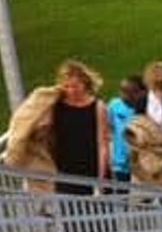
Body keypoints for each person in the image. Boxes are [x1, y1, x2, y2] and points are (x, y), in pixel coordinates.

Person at [49, 60, 110, 189]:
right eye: (67, 87)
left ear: (84, 84)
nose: (71, 91)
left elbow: (102, 144)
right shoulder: (56, 105)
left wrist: (101, 178)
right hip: (65, 170)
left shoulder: (98, 106)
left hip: (91, 167)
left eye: (75, 86)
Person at [107, 75, 145, 183]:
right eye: (123, 91)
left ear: (142, 93)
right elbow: (109, 127)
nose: (125, 95)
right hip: (120, 161)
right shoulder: (114, 105)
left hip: (142, 162)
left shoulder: (147, 108)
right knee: (121, 190)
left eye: (132, 92)